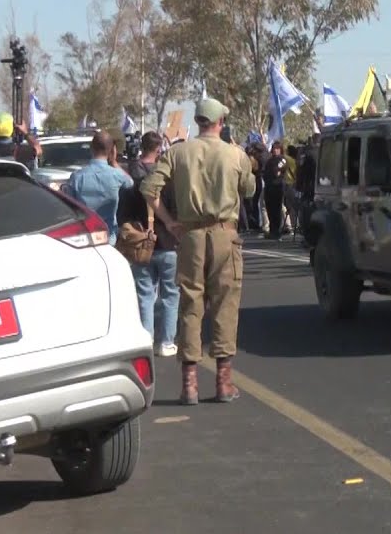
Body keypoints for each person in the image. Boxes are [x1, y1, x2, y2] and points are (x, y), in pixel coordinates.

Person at [141, 97, 255, 405]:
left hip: (190, 236)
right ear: (220, 123)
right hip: (224, 234)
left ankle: (189, 384)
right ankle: (223, 382)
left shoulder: (177, 152)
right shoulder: (235, 154)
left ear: (199, 121)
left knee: (190, 304)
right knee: (225, 304)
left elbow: (148, 189)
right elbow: (249, 190)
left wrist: (169, 222)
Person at [121, 131, 180, 357]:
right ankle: (166, 341)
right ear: (158, 149)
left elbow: (123, 214)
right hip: (168, 243)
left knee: (145, 294)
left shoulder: (131, 179)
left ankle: (146, 338)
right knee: (170, 294)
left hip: (141, 243)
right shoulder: (169, 180)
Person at [60, 131, 133, 245]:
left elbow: (69, 207)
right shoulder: (117, 175)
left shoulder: (77, 177)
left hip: (85, 236)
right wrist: (114, 161)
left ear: (92, 148)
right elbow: (130, 183)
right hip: (109, 237)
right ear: (111, 151)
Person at [262, 141, 289, 240]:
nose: (275, 150)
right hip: (269, 187)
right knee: (269, 209)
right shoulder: (269, 160)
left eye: (277, 148)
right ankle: (272, 230)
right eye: (274, 148)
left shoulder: (283, 160)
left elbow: (277, 171)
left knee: (277, 210)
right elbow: (265, 172)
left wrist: (277, 171)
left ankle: (277, 232)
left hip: (277, 187)